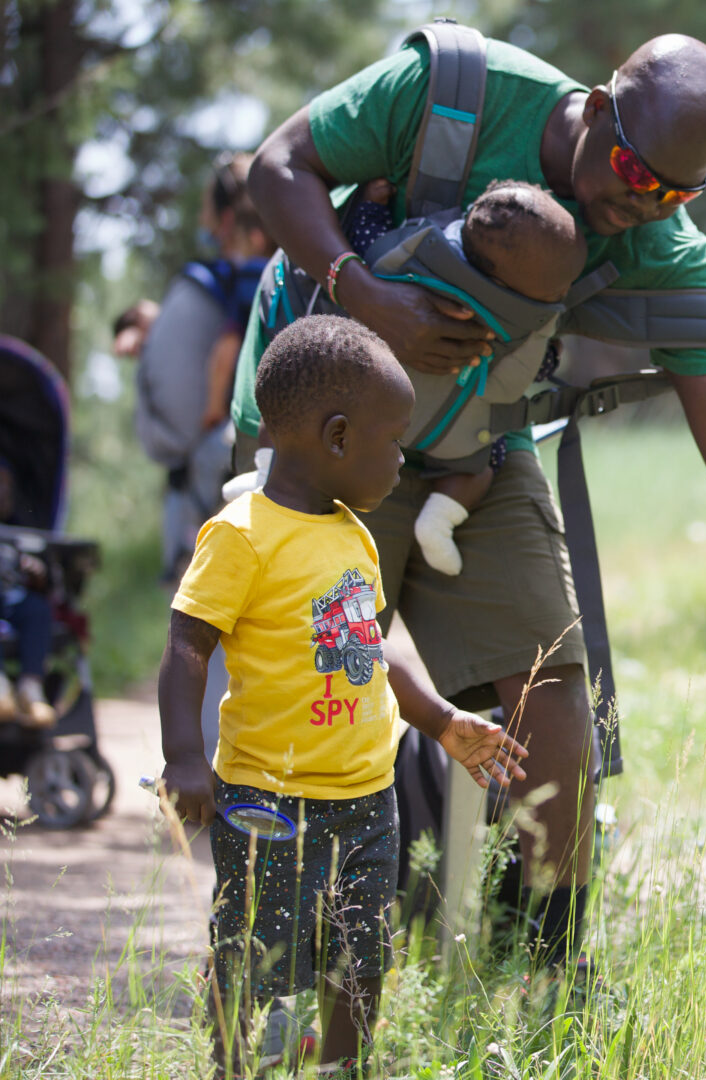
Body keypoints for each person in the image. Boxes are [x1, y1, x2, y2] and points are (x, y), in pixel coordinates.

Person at [232, 30, 706, 971]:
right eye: (633, 171)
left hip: (478, 443)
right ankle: (276, 968)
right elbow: (277, 166)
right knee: (319, 693)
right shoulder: (454, 89)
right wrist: (365, 292)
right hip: (326, 435)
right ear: (595, 108)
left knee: (557, 715)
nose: (644, 203)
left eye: (676, 192)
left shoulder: (656, 240)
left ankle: (534, 984)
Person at [158, 315, 529, 1076]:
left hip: (367, 795)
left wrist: (440, 720)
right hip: (269, 796)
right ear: (336, 437)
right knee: (254, 950)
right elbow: (186, 646)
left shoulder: (353, 534)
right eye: (393, 440)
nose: (402, 457)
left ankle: (342, 1069)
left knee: (360, 956)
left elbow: (369, 651)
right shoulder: (242, 534)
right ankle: (232, 1064)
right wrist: (185, 758)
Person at [338, 176, 588, 575]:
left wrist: (371, 207)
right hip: (457, 438)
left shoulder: (418, 254)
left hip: (368, 421)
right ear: (509, 283)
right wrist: (552, 356)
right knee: (486, 462)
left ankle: (271, 469)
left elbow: (367, 243)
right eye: (556, 288)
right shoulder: (524, 326)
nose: (561, 294)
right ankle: (439, 519)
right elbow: (519, 382)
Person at [137, 154, 275, 581]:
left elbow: (227, 350)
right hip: (239, 453)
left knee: (203, 579)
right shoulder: (278, 274)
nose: (202, 219)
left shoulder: (247, 280)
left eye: (205, 208)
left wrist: (214, 409)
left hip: (224, 450)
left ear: (230, 218)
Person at [0, 458, 55, 729]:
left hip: (14, 601)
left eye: (6, 485)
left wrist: (37, 573)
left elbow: (47, 577)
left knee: (38, 610)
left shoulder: (20, 528)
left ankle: (30, 690)